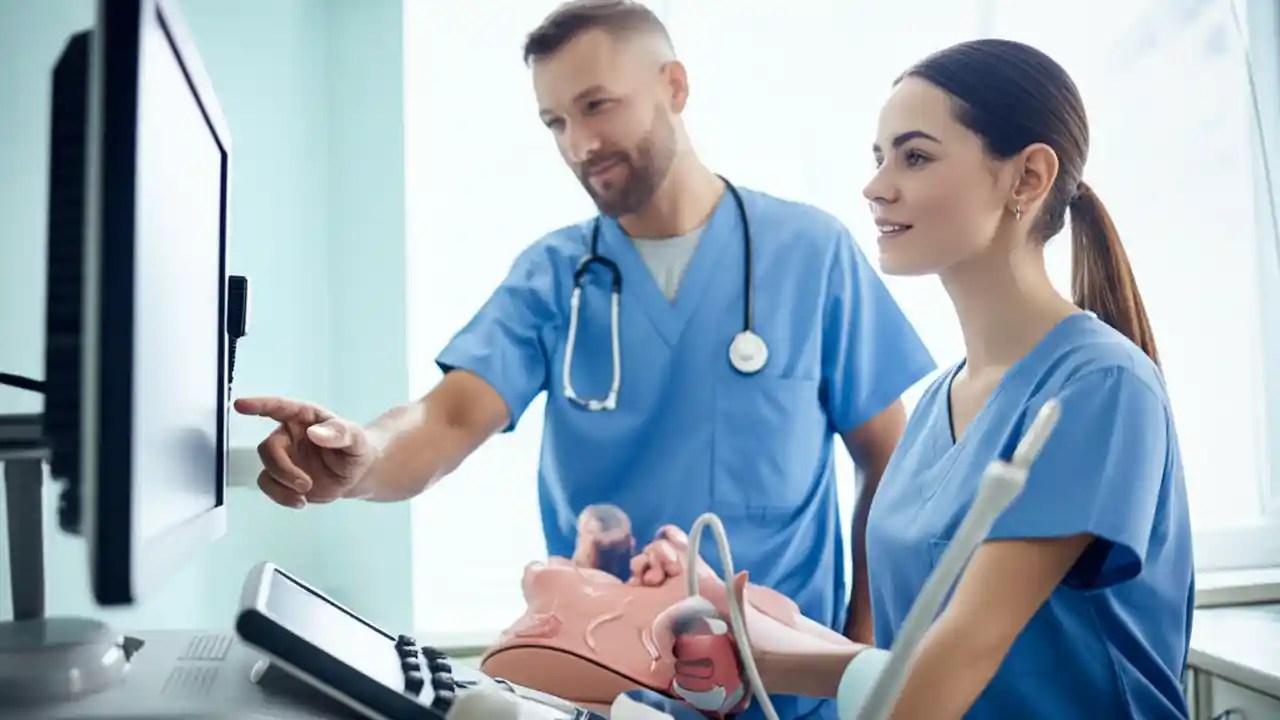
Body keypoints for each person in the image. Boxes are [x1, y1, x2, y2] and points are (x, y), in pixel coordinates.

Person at [234, 2, 935, 718]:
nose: (579, 144)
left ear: (674, 86)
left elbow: (890, 458)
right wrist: (364, 454)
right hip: (606, 692)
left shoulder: (810, 255)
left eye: (597, 106)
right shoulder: (553, 275)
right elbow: (444, 421)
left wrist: (860, 650)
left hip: (788, 696)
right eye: (555, 122)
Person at [638, 38, 1195, 719]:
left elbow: (961, 656)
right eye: (879, 158)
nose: (877, 186)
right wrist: (746, 633)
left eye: (916, 156)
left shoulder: (1099, 388)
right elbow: (911, 659)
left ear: (1027, 177)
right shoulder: (939, 402)